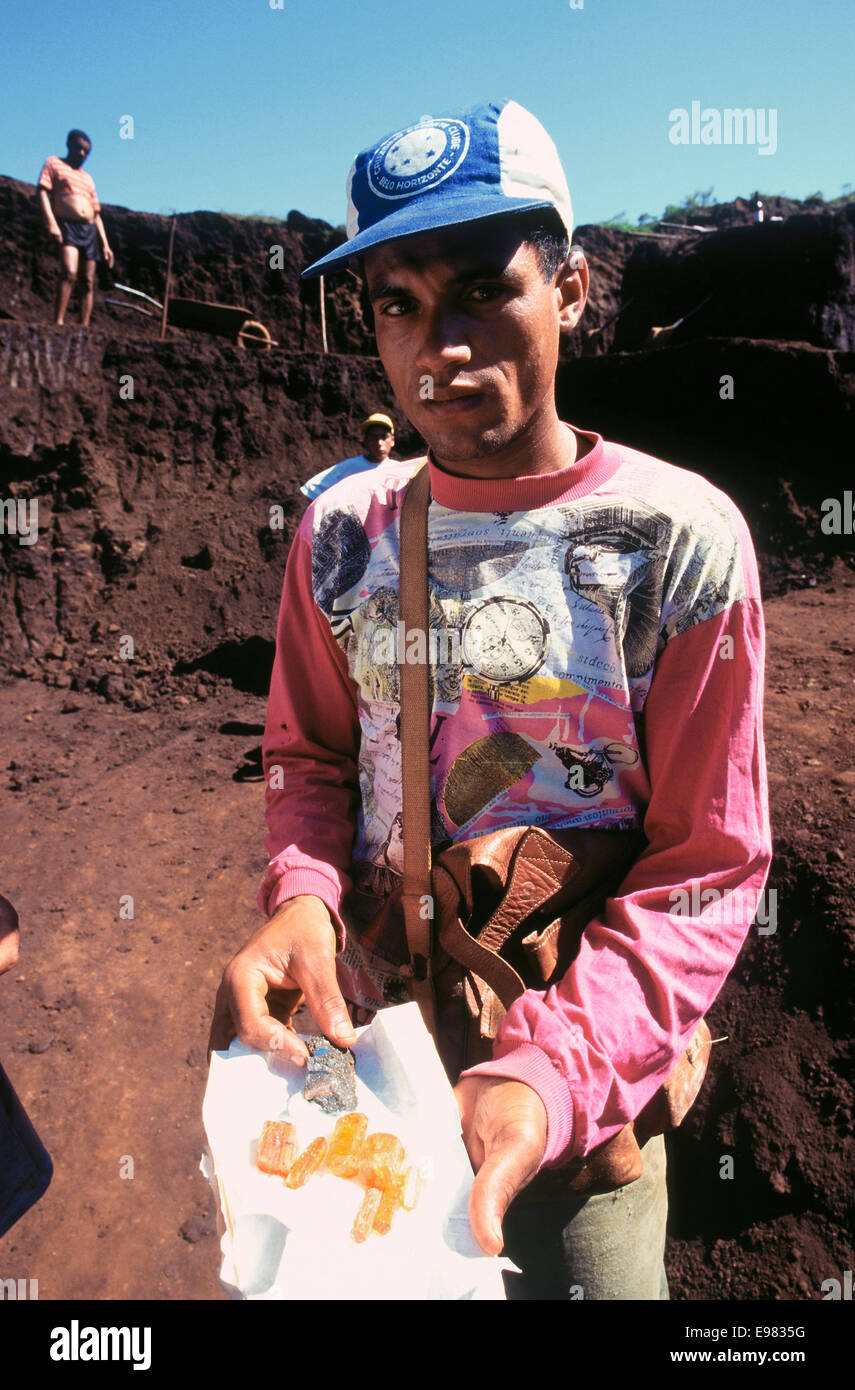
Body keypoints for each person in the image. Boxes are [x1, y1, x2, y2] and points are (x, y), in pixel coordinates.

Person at [210, 99, 772, 1298]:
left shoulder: (682, 544)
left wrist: (557, 1071)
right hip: (365, 1065)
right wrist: (304, 895)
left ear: (571, 287)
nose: (438, 346)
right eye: (398, 306)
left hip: (575, 1111)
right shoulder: (340, 535)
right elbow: (307, 758)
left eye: (480, 290)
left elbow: (710, 864)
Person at [37, 129, 114, 327]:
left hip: (89, 231)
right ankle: (58, 322)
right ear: (69, 145)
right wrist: (51, 222)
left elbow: (96, 214)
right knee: (69, 272)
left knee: (88, 280)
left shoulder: (88, 178)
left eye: (86, 151)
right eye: (79, 148)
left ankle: (84, 326)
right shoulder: (54, 163)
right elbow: (43, 192)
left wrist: (105, 244)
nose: (82, 154)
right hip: (67, 226)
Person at [300, 413, 396, 500]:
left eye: (384, 437)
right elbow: (312, 488)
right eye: (373, 437)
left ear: (392, 440)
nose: (379, 443)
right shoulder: (350, 467)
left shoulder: (398, 470)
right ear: (365, 440)